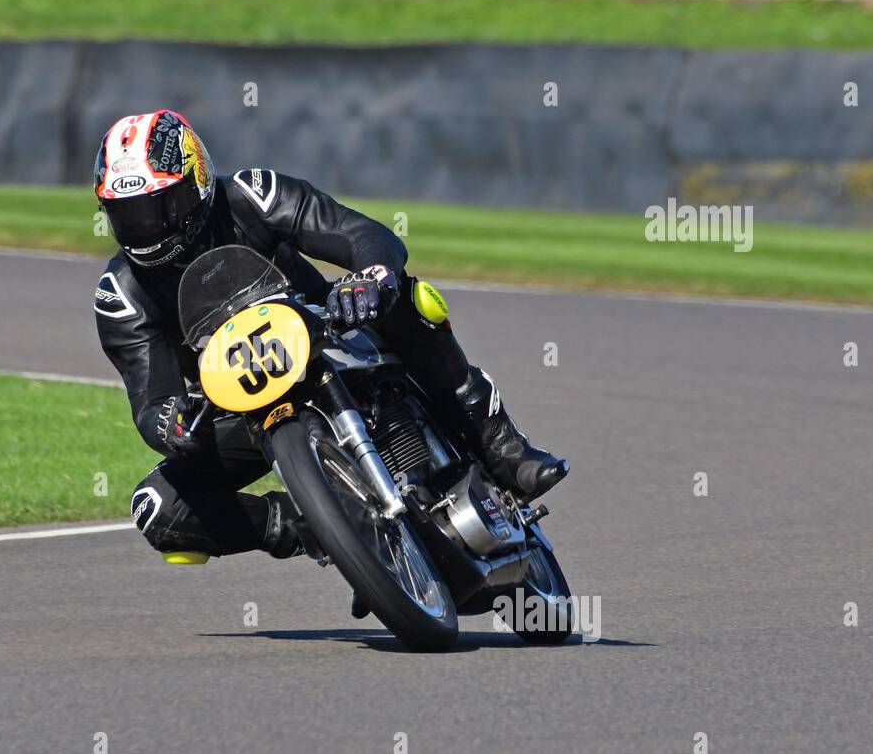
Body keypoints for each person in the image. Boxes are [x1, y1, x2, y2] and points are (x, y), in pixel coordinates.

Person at [93, 109, 568, 565]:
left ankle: (500, 445)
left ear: (195, 182)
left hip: (331, 330)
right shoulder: (122, 292)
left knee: (410, 296)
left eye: (158, 209)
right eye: (127, 217)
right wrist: (170, 424)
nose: (145, 230)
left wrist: (371, 276)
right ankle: (313, 525)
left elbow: (355, 230)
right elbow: (149, 398)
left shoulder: (251, 196)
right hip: (239, 402)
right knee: (157, 505)